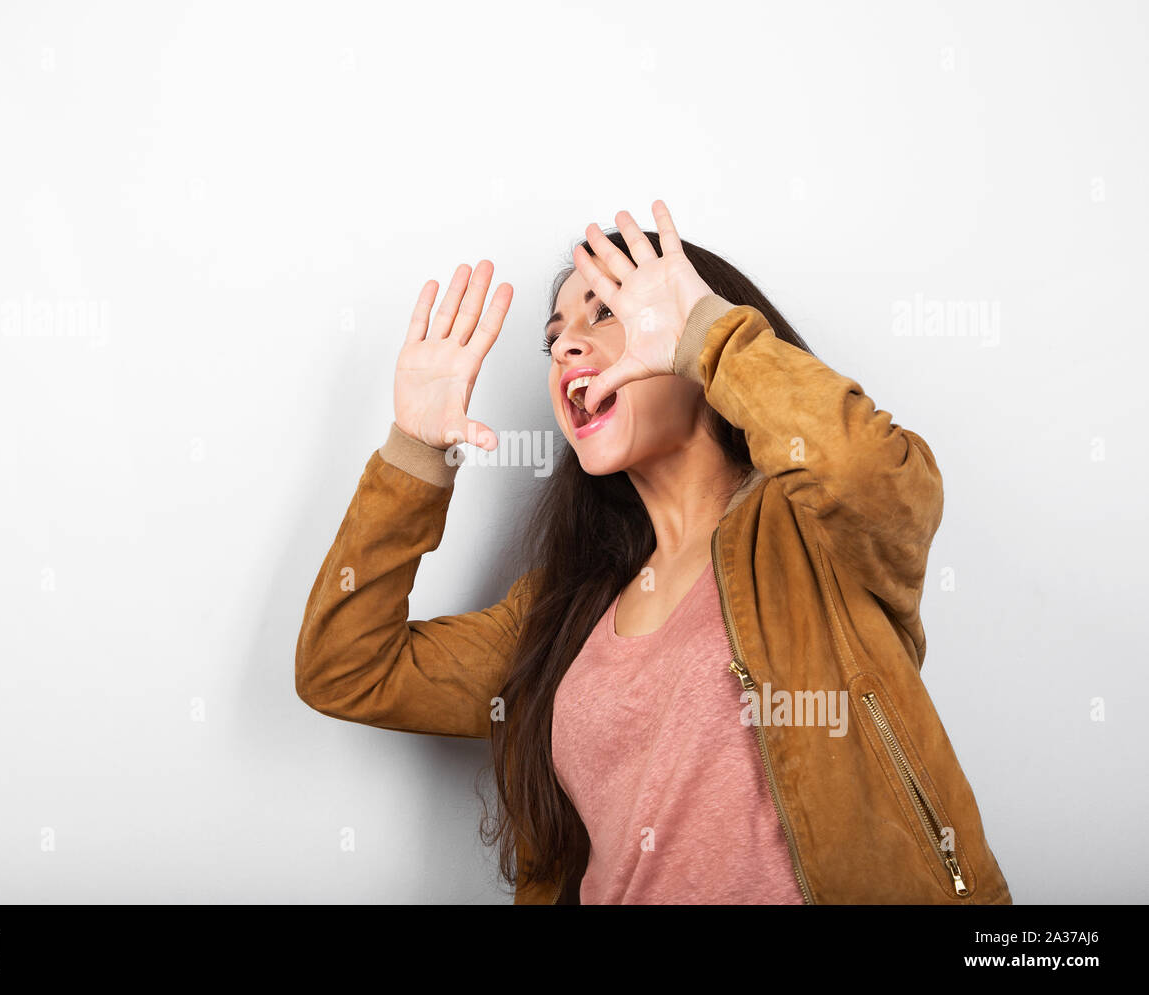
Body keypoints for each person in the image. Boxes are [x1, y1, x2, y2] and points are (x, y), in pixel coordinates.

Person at [295, 199, 1012, 905]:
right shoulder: (564, 609)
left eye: (606, 312)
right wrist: (418, 446)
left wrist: (713, 340)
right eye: (557, 339)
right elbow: (346, 667)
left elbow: (872, 470)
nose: (569, 347)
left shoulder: (811, 527)